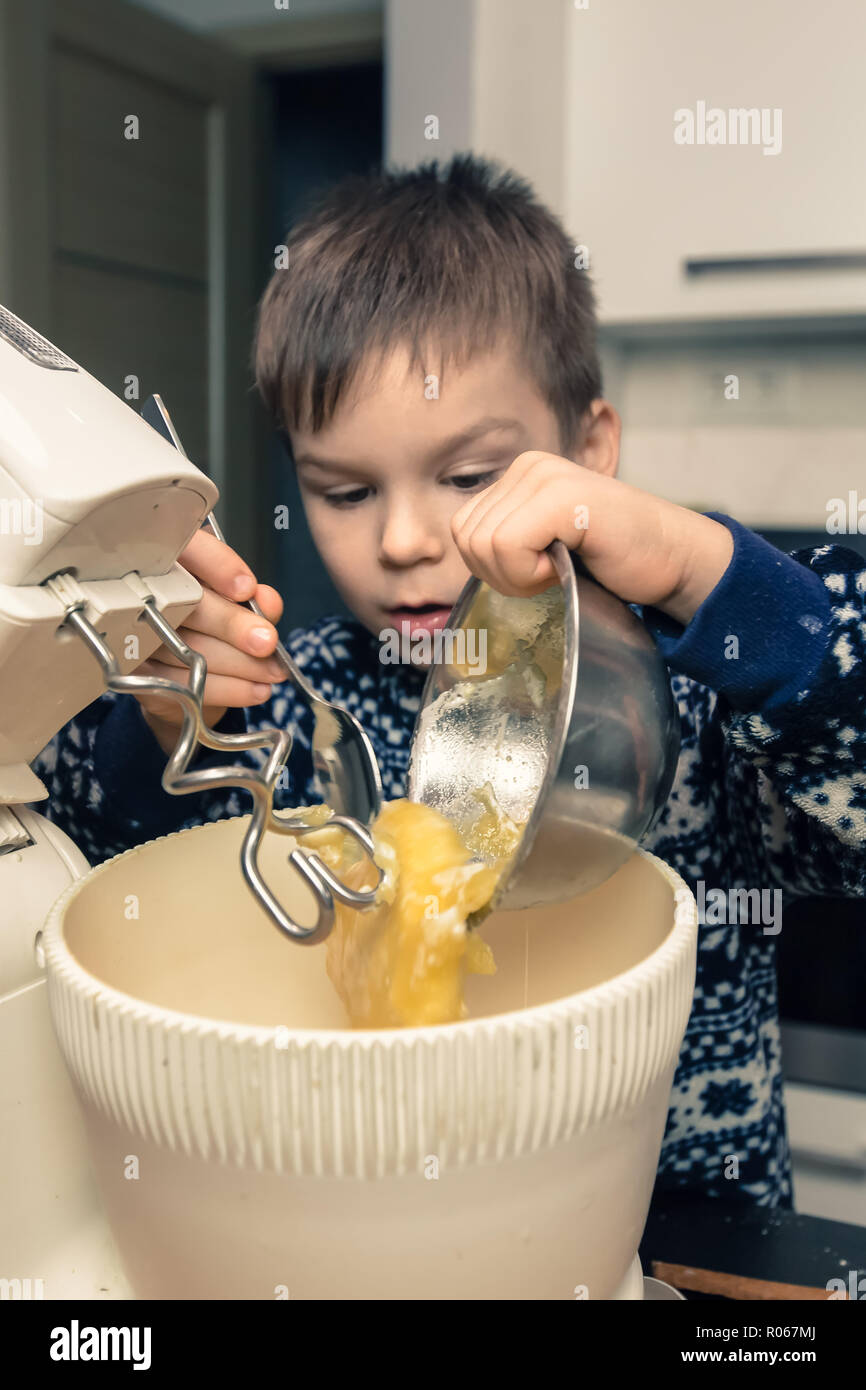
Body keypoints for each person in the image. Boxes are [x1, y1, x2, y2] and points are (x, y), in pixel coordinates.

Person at [32, 154, 866, 1209]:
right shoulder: (289, 704)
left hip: (685, 1245)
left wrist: (702, 568)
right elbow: (97, 889)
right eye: (341, 490)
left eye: (471, 476)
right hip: (382, 1237)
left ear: (589, 454)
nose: (405, 539)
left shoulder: (692, 708)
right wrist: (161, 726)